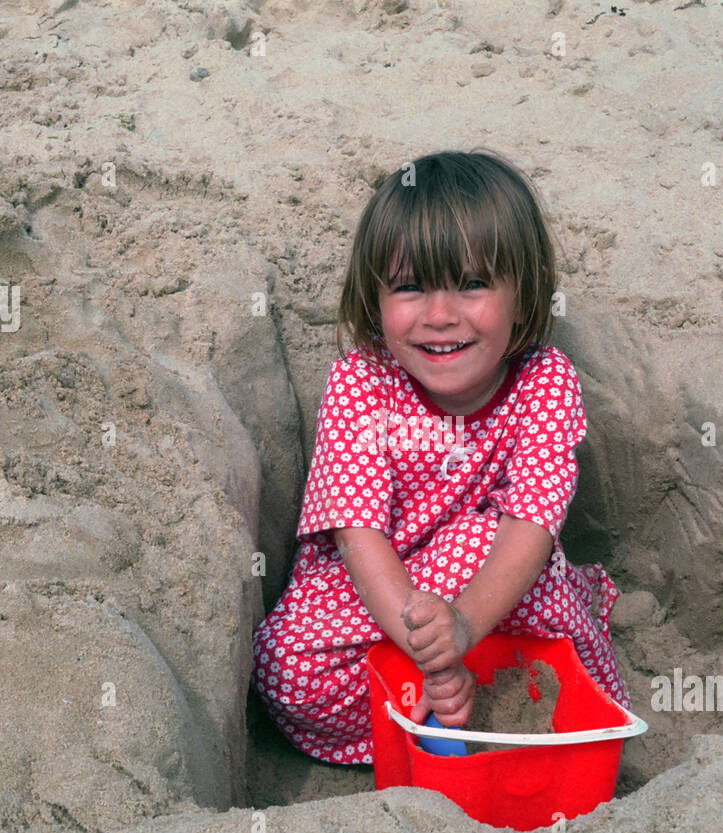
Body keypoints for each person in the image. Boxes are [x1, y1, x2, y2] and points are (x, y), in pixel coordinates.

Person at [251, 149, 630, 765]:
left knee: (482, 540)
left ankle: (497, 699)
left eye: (473, 284)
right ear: (375, 300)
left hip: (494, 598)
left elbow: (529, 528)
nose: (440, 316)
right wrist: (428, 648)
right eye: (409, 288)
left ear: (524, 291)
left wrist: (461, 630)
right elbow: (357, 537)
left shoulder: (544, 381)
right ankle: (421, 703)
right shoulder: (362, 381)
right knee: (283, 666)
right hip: (373, 598)